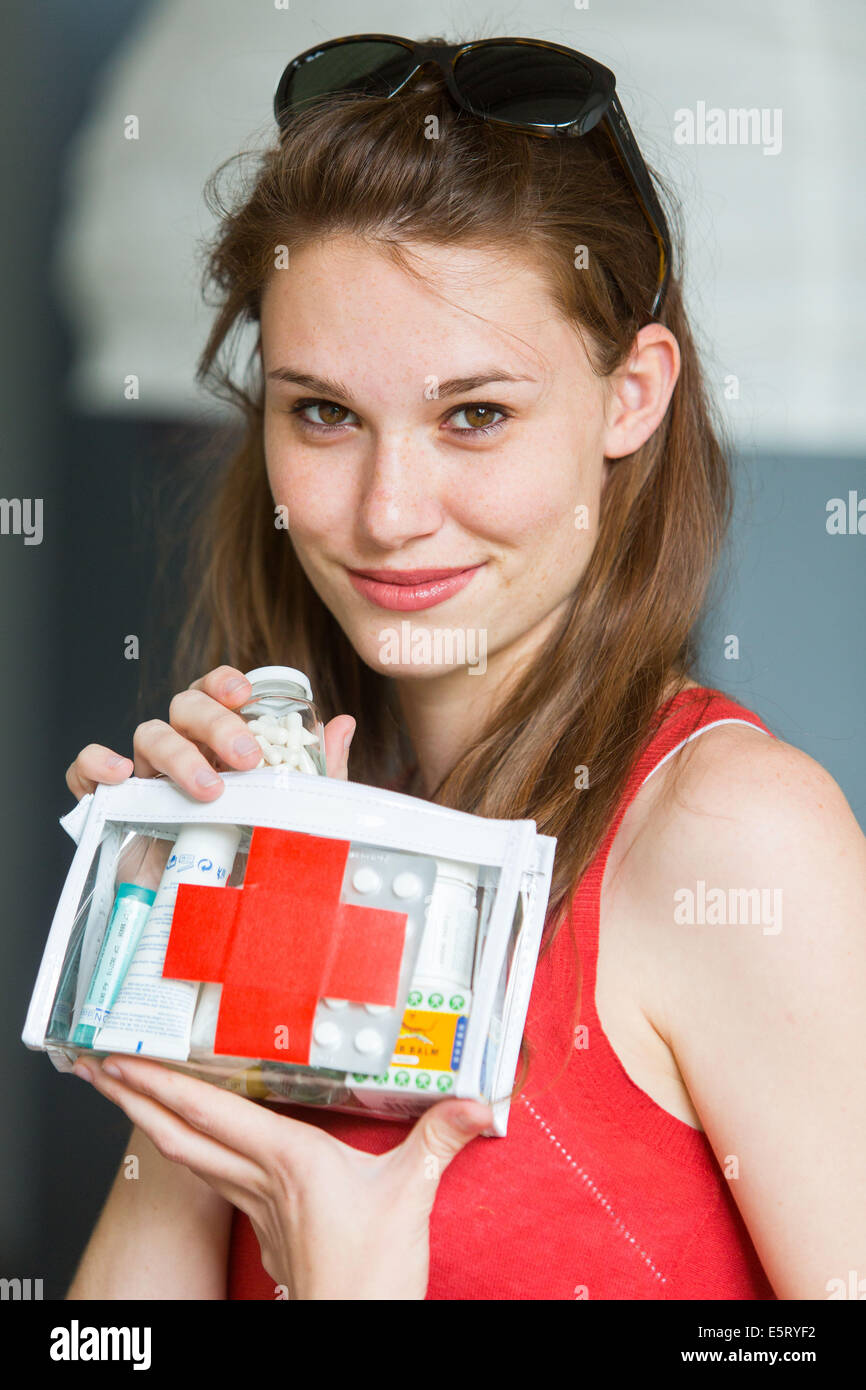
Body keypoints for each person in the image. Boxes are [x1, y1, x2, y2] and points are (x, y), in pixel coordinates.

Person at [62, 35, 866, 1300]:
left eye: (474, 414)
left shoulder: (729, 841)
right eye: (321, 411)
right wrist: (182, 984)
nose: (387, 513)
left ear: (629, 397)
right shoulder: (295, 800)